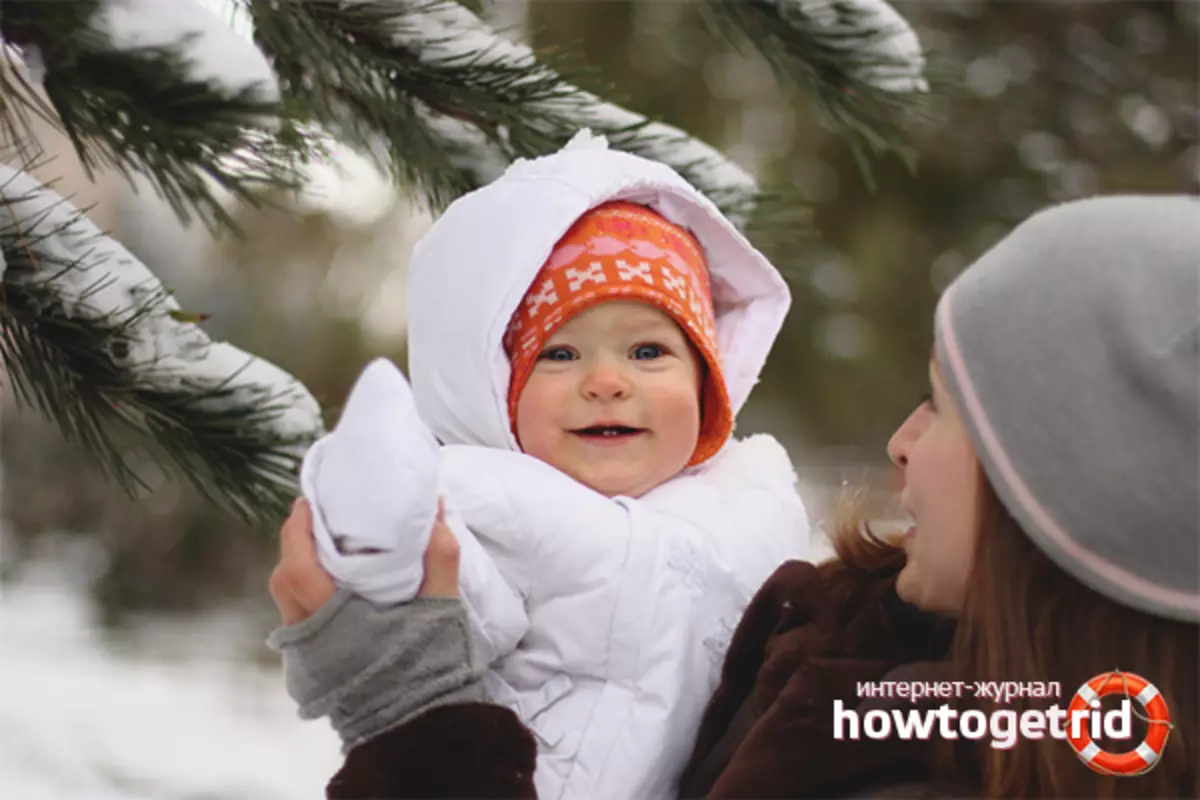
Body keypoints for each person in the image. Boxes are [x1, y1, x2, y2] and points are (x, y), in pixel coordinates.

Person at [272, 193, 1199, 798]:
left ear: (1069, 489)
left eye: (943, 406)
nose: (901, 443)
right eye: (561, 353)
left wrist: (409, 710)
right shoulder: (878, 649)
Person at [274, 131, 810, 799]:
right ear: (501, 390)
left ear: (709, 383)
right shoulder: (502, 497)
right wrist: (378, 534)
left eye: (648, 352)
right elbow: (447, 599)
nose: (608, 381)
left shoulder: (752, 495)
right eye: (559, 354)